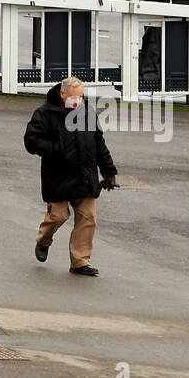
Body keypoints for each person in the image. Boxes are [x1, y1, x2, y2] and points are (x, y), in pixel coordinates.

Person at [24, 76, 118, 277]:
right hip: (57, 175)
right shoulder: (44, 114)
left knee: (88, 218)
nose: (78, 102)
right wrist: (57, 149)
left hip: (84, 174)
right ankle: (43, 240)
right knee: (58, 215)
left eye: (81, 97)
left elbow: (99, 144)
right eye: (74, 98)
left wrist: (109, 171)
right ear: (62, 94)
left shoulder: (87, 113)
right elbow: (31, 141)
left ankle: (80, 261)